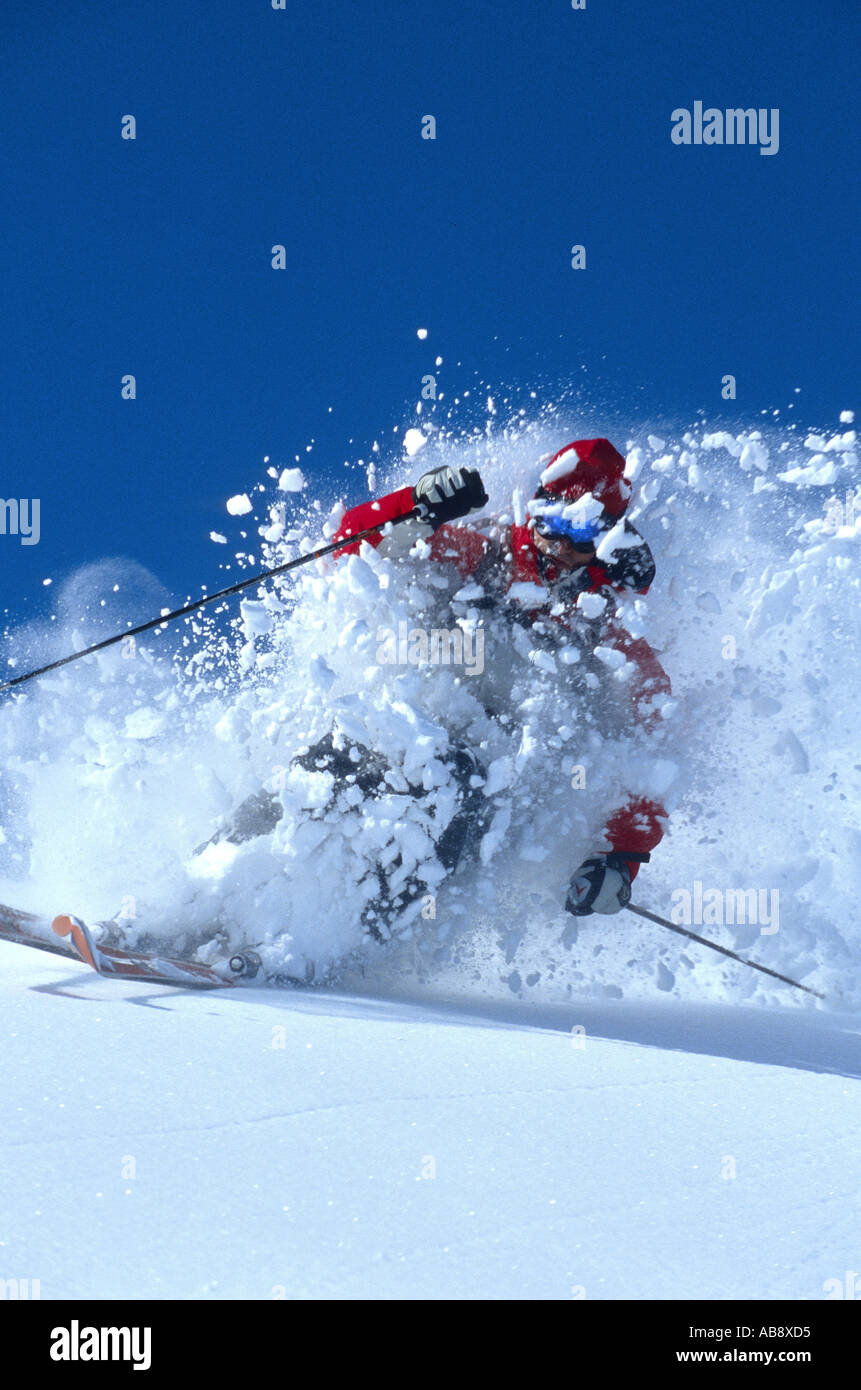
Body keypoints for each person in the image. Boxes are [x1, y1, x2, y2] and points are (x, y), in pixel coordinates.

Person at [328, 439, 670, 921]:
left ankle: (337, 938)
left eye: (587, 531)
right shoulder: (484, 554)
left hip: (494, 781)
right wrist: (417, 507)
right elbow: (350, 557)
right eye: (556, 520)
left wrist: (620, 856)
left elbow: (653, 745)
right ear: (534, 511)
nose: (565, 545)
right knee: (341, 754)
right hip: (412, 720)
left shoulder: (604, 628)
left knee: (456, 789)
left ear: (610, 541)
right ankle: (214, 886)